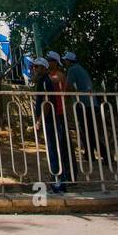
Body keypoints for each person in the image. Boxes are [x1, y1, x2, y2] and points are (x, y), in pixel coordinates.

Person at [33, 55, 72, 192]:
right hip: (50, 119)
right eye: (33, 66)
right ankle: (59, 181)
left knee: (53, 151)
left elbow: (47, 103)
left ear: (44, 68)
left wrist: (39, 120)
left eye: (36, 67)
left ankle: (59, 183)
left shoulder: (45, 81)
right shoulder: (43, 80)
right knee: (54, 150)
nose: (34, 69)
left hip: (50, 120)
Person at [64, 50, 108, 168]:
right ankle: (90, 155)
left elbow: (68, 87)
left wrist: (64, 96)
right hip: (92, 103)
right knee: (90, 130)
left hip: (82, 104)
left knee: (85, 130)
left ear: (69, 61)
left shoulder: (72, 70)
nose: (65, 62)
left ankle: (103, 155)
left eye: (66, 60)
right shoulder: (81, 69)